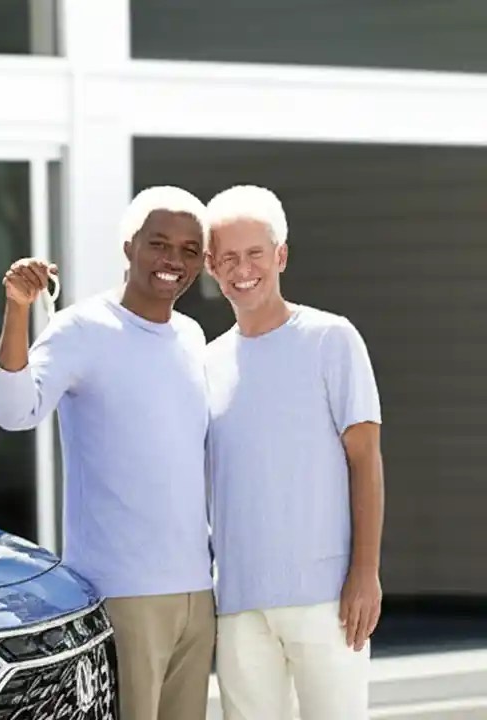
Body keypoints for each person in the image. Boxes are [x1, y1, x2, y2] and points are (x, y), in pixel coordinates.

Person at [0, 186, 215, 719]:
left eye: (188, 251)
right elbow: (14, 410)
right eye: (159, 244)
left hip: (196, 593)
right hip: (122, 593)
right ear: (128, 246)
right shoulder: (83, 328)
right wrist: (18, 311)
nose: (173, 261)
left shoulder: (191, 335)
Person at [201, 185, 383, 719]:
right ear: (211, 266)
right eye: (228, 257)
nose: (243, 269)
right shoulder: (206, 362)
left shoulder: (332, 339)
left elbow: (365, 460)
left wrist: (365, 572)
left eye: (255, 253)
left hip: (327, 598)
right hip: (238, 603)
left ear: (280, 255)